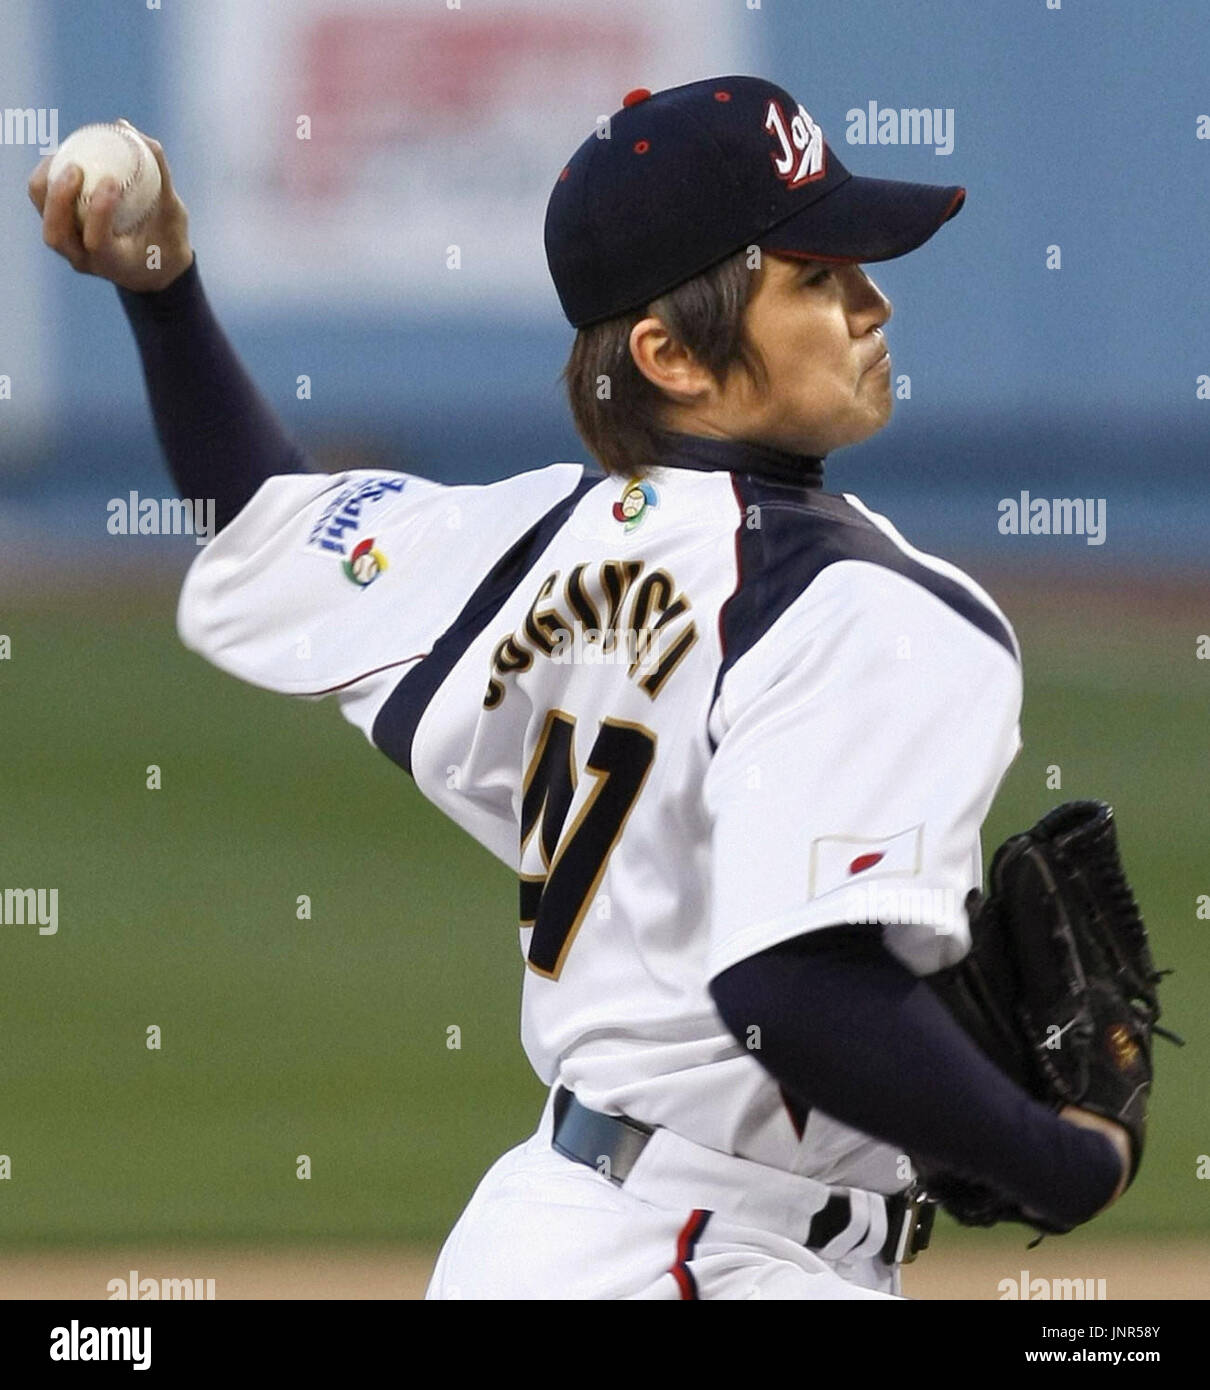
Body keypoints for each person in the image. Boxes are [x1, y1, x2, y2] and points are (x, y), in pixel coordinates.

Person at [29, 78, 1129, 1301]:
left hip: (541, 1237)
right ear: (670, 355)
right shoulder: (873, 607)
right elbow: (792, 988)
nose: (873, 302)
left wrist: (162, 293)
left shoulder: (527, 545)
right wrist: (1064, 1162)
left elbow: (259, 517)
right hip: (716, 1260)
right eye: (815, 277)